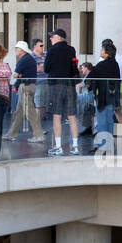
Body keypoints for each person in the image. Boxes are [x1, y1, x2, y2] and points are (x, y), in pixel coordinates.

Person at [44, 27, 79, 157]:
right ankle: (75, 146)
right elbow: (74, 68)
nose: (50, 38)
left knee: (56, 115)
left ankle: (58, 147)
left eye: (52, 36)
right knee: (72, 116)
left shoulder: (52, 50)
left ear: (58, 37)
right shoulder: (71, 50)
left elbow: (47, 68)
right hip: (69, 85)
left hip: (56, 85)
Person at [5, 41, 45, 144]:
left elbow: (15, 74)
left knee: (30, 112)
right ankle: (11, 133)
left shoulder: (23, 60)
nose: (16, 51)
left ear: (21, 50)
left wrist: (18, 75)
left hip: (25, 87)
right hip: (31, 86)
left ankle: (39, 135)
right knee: (19, 112)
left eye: (17, 49)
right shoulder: (30, 59)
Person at [86, 40, 121, 146]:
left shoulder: (101, 64)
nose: (100, 51)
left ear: (107, 53)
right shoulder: (115, 65)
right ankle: (109, 143)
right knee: (110, 120)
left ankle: (102, 144)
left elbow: (90, 77)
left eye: (102, 49)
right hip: (112, 96)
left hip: (102, 96)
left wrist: (90, 88)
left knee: (101, 120)